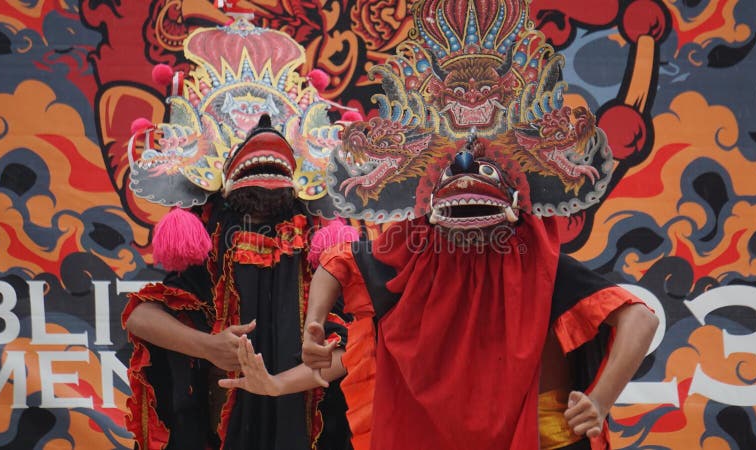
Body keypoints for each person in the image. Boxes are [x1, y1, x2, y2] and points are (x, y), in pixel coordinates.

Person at [300, 137, 659, 450]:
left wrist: (600, 400)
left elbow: (640, 318)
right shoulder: (418, 256)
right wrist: (313, 323)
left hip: (537, 439)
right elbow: (339, 264)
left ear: (515, 205)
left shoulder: (537, 264)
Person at [123, 116, 352, 450]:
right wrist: (208, 346)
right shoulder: (214, 242)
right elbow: (140, 317)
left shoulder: (318, 244)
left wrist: (276, 384)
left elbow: (350, 347)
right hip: (222, 423)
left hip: (305, 421)